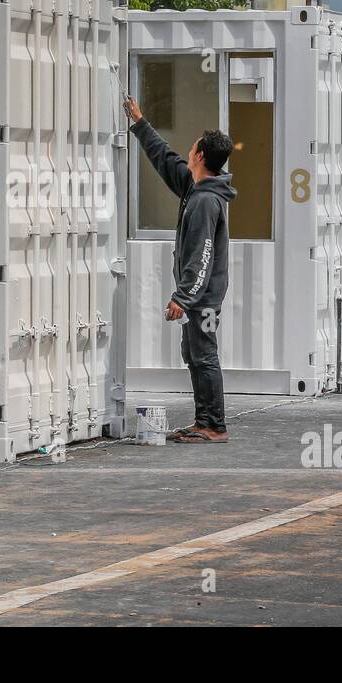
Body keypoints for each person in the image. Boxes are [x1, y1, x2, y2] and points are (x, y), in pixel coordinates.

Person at [123, 95, 235, 443]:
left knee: (203, 355)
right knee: (194, 353)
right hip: (199, 296)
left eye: (192, 148)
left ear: (200, 156)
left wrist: (183, 298)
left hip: (202, 298)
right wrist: (140, 123)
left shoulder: (204, 201)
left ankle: (213, 425)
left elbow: (201, 256)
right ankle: (205, 420)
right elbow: (166, 160)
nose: (187, 152)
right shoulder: (196, 188)